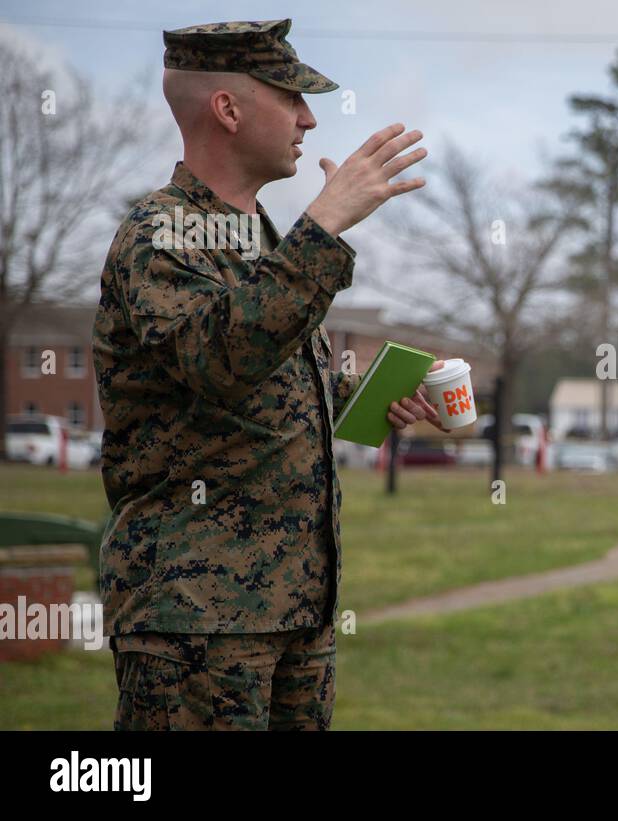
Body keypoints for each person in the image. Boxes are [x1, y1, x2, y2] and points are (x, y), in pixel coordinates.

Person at [94, 18, 439, 730]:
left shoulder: (256, 240)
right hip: (196, 617)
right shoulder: (162, 232)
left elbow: (268, 379)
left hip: (294, 607)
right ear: (228, 109)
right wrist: (326, 226)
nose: (310, 118)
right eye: (291, 97)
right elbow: (216, 358)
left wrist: (368, 396)